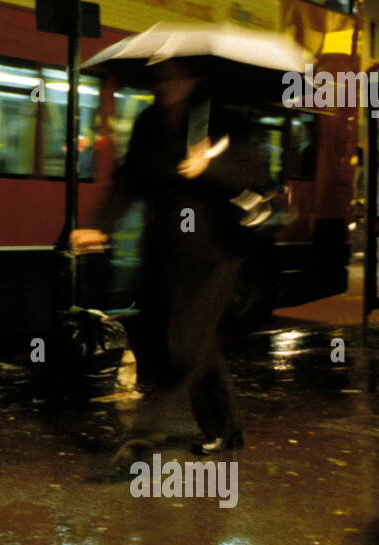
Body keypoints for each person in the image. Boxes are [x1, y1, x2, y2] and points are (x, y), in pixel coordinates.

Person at [71, 59, 258, 456]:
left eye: (174, 75)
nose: (164, 83)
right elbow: (129, 180)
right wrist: (100, 224)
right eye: (160, 76)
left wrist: (212, 165)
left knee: (184, 344)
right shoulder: (148, 123)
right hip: (166, 249)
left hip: (216, 251)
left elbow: (255, 175)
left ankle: (147, 432)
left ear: (194, 78)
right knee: (181, 341)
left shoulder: (223, 120)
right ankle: (226, 429)